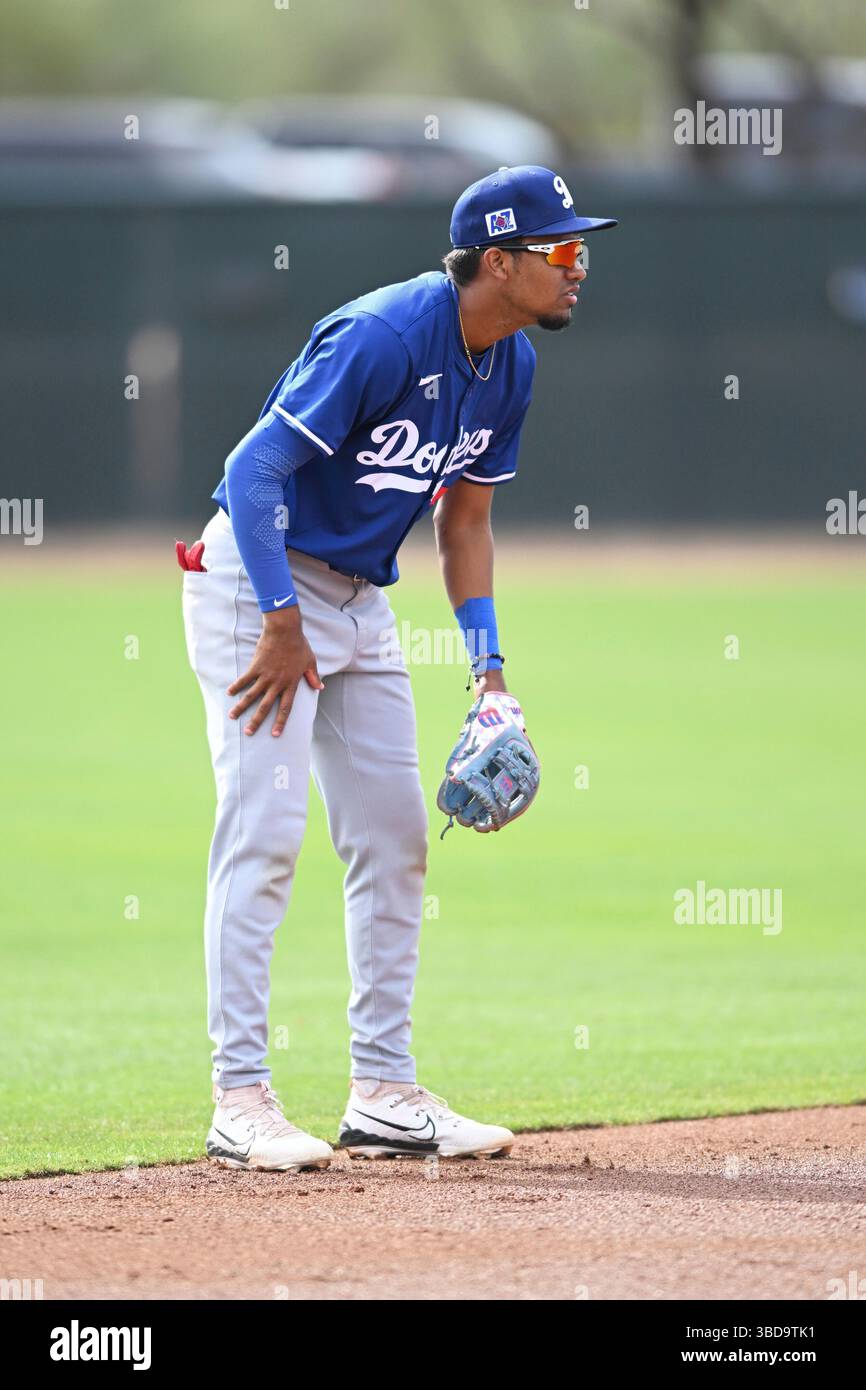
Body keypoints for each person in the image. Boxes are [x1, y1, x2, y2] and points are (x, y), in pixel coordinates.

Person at [179, 165, 617, 1171]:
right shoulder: (382, 334)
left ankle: (381, 1091)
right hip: (255, 585)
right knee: (265, 833)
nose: (577, 268)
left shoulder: (508, 365)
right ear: (496, 262)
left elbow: (464, 525)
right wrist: (282, 618)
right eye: (560, 251)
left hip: (358, 600)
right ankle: (237, 1098)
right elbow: (253, 470)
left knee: (395, 835)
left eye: (580, 250)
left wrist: (489, 672)